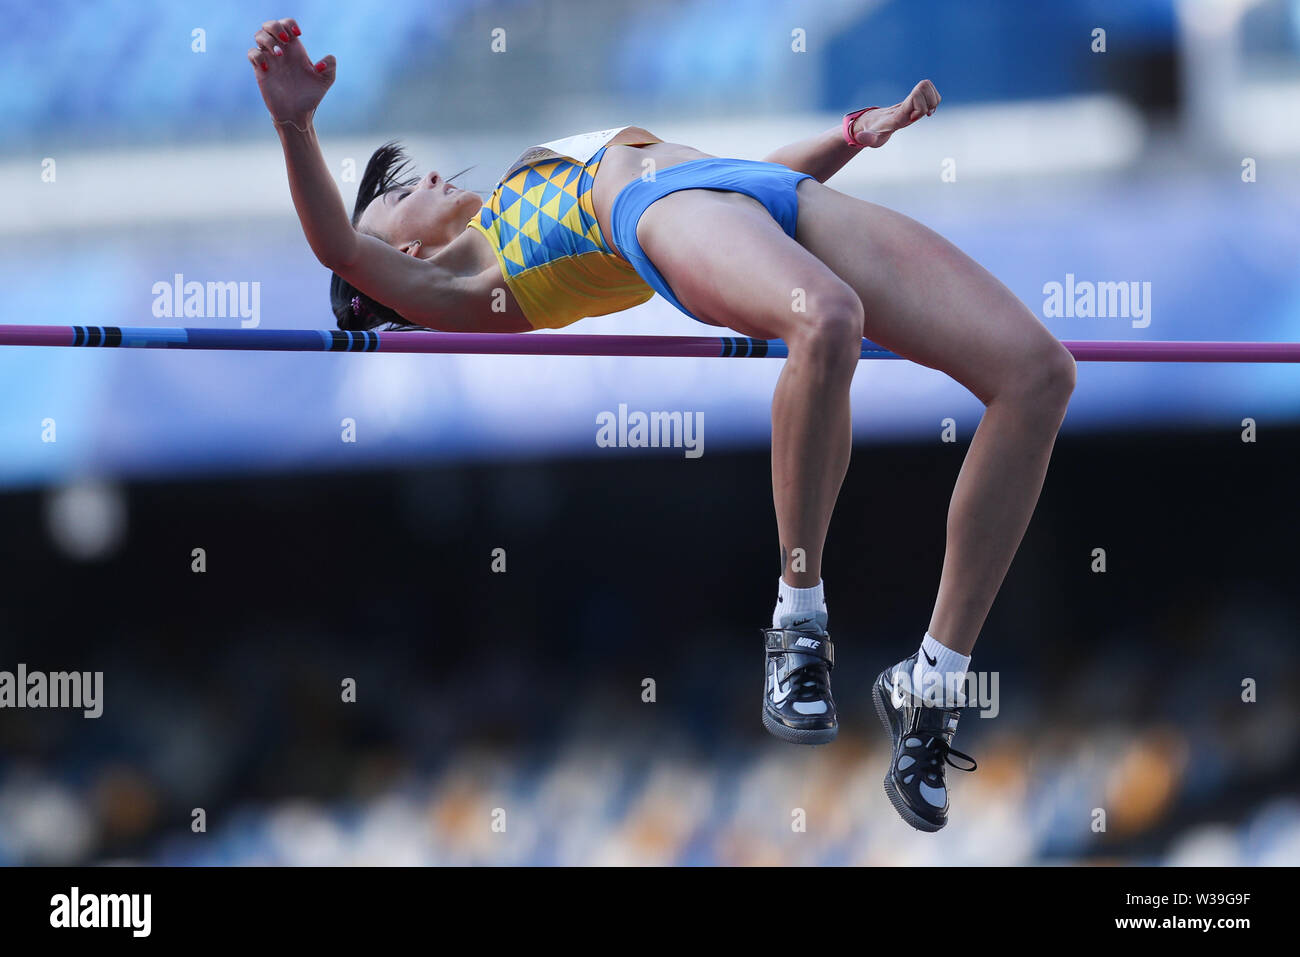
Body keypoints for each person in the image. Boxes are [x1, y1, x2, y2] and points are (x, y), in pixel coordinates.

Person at [249, 17, 1075, 832]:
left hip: (751, 193)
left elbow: (722, 181)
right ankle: (797, 621)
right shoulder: (477, 289)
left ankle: (933, 682)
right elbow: (340, 251)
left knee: (1038, 375)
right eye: (395, 199)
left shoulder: (508, 198)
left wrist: (854, 132)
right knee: (825, 320)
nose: (419, 178)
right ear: (406, 269)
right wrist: (296, 122)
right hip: (666, 210)